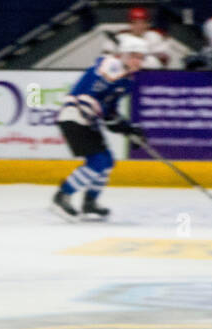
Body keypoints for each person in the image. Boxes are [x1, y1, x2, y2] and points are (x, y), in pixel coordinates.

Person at [52, 35, 146, 222]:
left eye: (141, 57)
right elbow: (90, 99)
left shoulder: (126, 80)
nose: (138, 61)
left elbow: (109, 112)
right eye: (134, 56)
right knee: (98, 162)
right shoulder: (111, 66)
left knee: (107, 161)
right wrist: (118, 123)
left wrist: (128, 129)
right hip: (75, 117)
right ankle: (62, 196)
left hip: (88, 121)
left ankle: (90, 203)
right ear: (124, 55)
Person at [109, 6, 186, 69]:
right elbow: (107, 59)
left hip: (148, 76)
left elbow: (163, 60)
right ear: (130, 24)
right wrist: (124, 60)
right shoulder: (120, 37)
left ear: (147, 24)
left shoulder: (155, 36)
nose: (139, 26)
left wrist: (141, 61)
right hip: (123, 75)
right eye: (136, 23)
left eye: (143, 23)